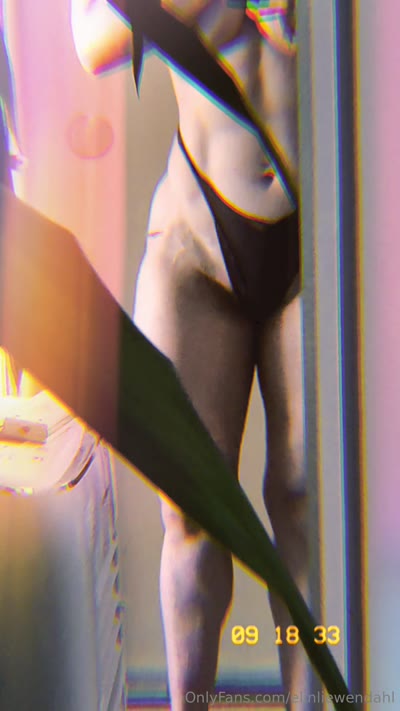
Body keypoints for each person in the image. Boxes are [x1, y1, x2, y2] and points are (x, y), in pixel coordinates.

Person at [71, 1, 308, 709]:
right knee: (192, 513)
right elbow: (93, 39)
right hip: (196, 235)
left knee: (303, 505)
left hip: (319, 233)